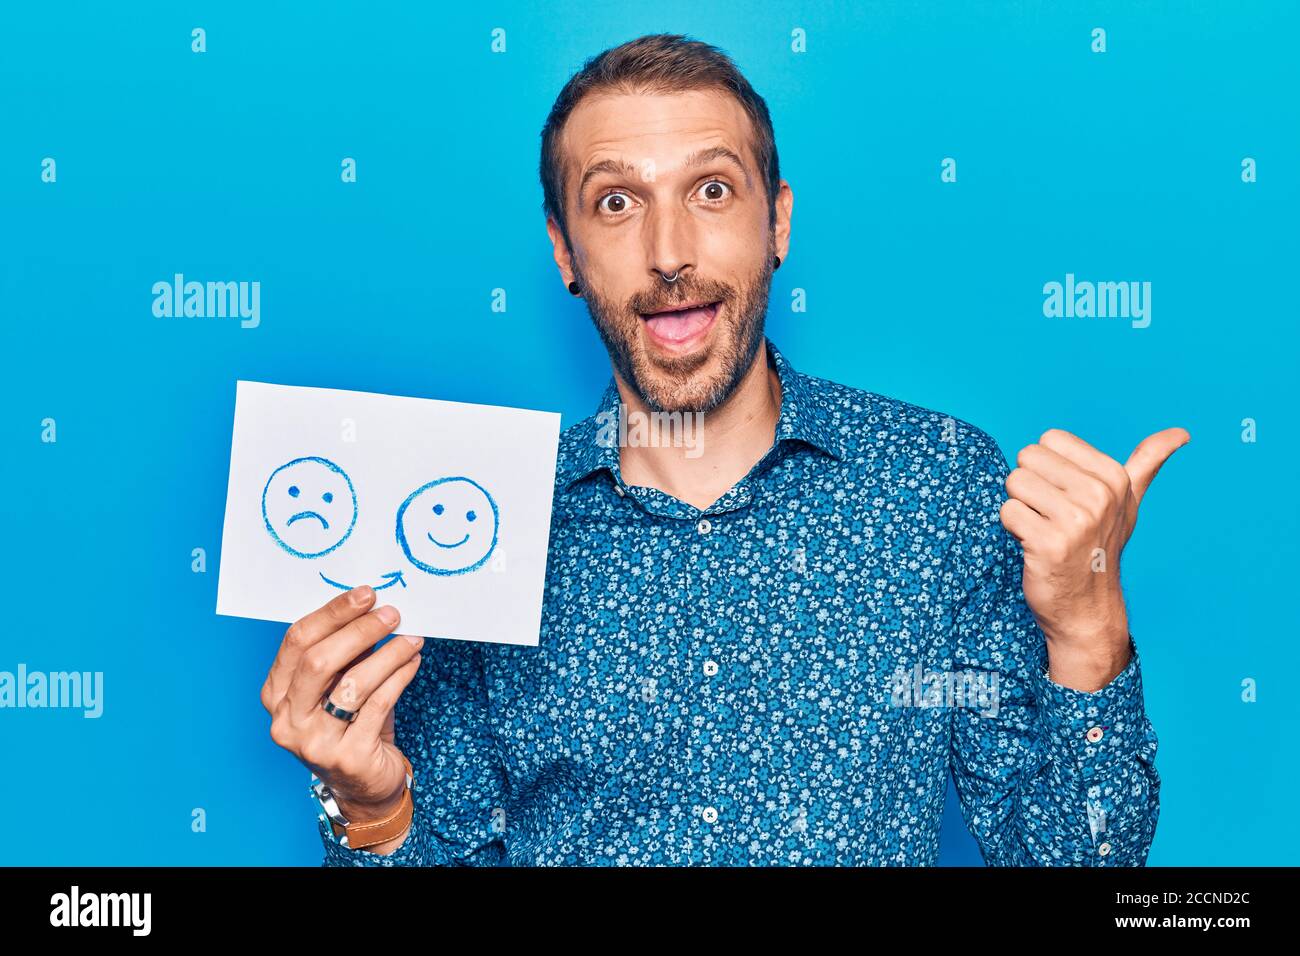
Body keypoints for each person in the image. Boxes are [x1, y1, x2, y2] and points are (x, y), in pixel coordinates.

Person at [263, 33, 1186, 866]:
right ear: (565, 253)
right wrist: (374, 808)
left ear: (776, 222)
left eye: (712, 190)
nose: (670, 252)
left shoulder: (938, 485)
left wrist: (1086, 628)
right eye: (616, 201)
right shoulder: (480, 529)